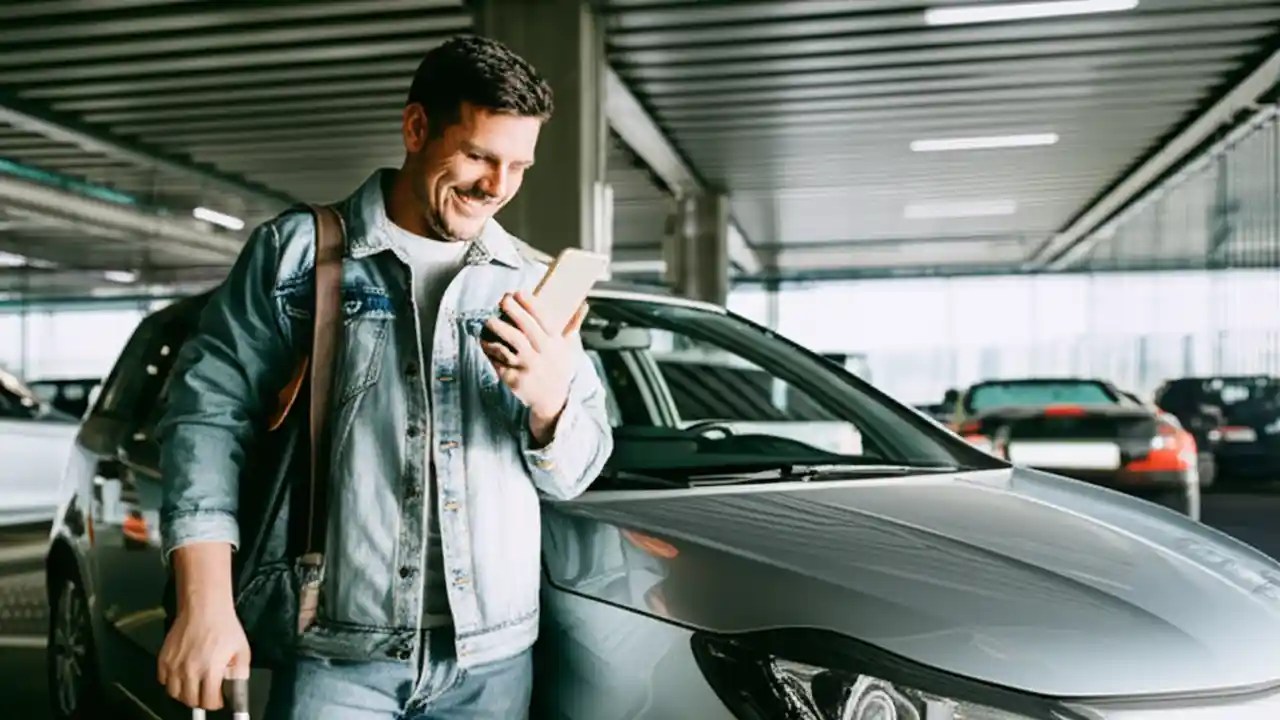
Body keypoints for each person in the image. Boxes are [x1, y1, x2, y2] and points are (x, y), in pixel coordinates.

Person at [154, 34, 613, 719]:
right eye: (479, 156)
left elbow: (574, 474)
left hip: (492, 663)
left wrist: (550, 404)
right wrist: (206, 603)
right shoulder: (296, 254)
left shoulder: (529, 279)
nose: (497, 187)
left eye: (519, 165)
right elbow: (206, 420)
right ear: (416, 128)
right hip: (337, 656)